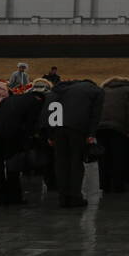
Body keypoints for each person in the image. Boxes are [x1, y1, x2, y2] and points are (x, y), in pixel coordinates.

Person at [0, 83, 49, 205]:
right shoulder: (35, 102)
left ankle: (2, 197)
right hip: (11, 135)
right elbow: (31, 124)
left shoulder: (10, 99)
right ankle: (14, 197)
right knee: (12, 166)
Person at [45, 77, 104, 208]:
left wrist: (50, 133)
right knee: (76, 163)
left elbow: (50, 108)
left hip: (57, 128)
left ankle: (63, 198)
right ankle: (75, 197)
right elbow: (95, 114)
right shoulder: (96, 91)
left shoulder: (61, 89)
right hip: (78, 129)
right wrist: (91, 134)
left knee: (61, 163)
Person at [97, 76, 129, 196]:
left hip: (101, 127)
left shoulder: (103, 89)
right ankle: (117, 185)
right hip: (119, 127)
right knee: (118, 156)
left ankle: (105, 184)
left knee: (103, 157)